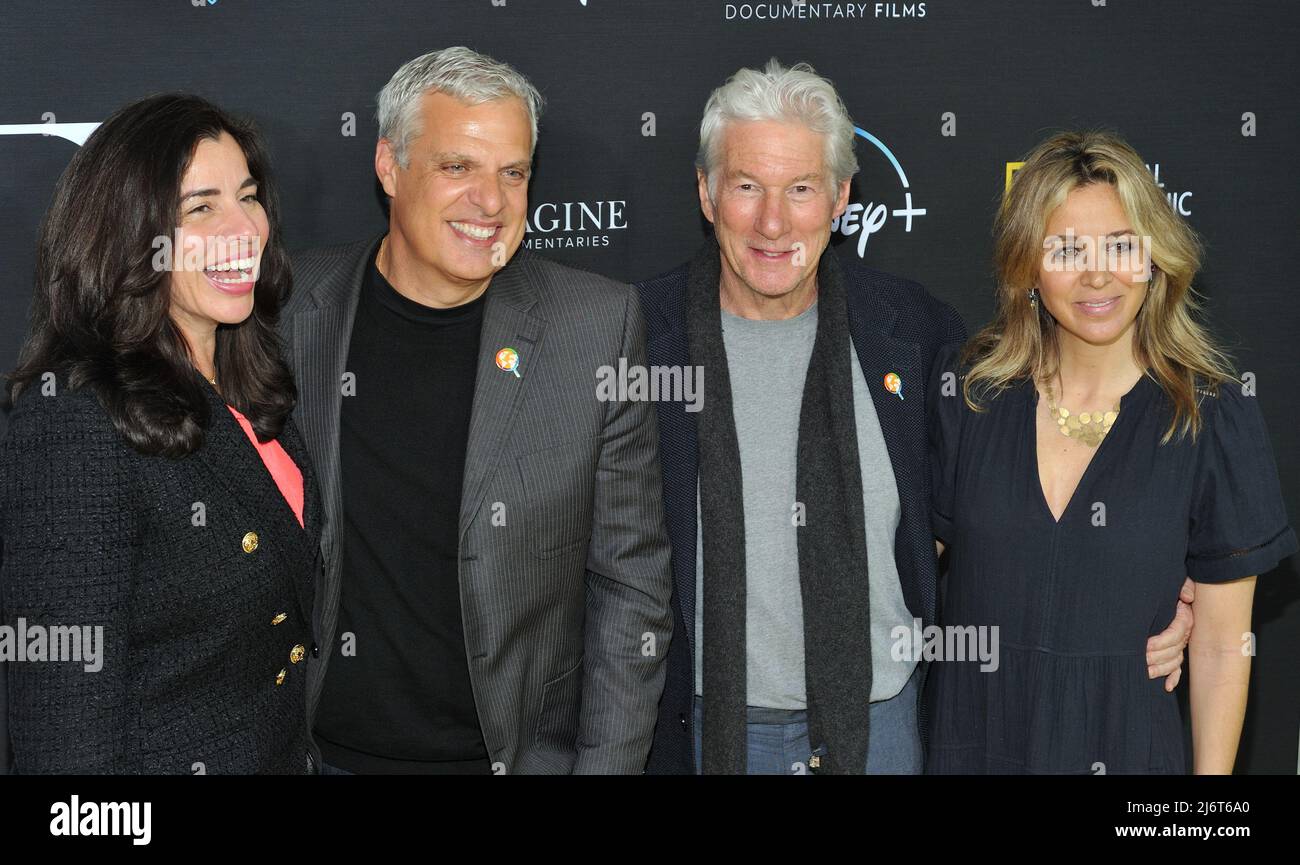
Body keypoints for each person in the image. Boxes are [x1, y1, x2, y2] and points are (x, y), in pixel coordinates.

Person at [637, 61, 1192, 775]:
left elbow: (1007, 522)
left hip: (884, 727)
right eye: (747, 186)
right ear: (707, 193)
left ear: (840, 197)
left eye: (801, 188)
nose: (772, 220)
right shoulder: (640, 338)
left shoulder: (916, 332)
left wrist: (1165, 597)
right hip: (699, 728)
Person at [281, 47, 673, 775]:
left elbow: (631, 583)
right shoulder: (287, 310)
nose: (490, 202)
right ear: (390, 168)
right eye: (458, 166)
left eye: (513, 172)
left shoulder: (596, 327)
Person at [925, 130, 1298, 774]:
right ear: (1027, 268)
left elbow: (1220, 650)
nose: (1097, 273)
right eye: (1066, 249)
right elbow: (901, 581)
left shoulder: (1210, 415)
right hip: (976, 746)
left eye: (1121, 245)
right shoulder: (972, 396)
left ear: (1155, 257)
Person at [0, 94, 319, 773]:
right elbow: (64, 744)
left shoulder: (254, 379)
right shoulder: (74, 425)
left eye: (249, 196)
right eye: (201, 208)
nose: (244, 230)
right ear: (130, 231)